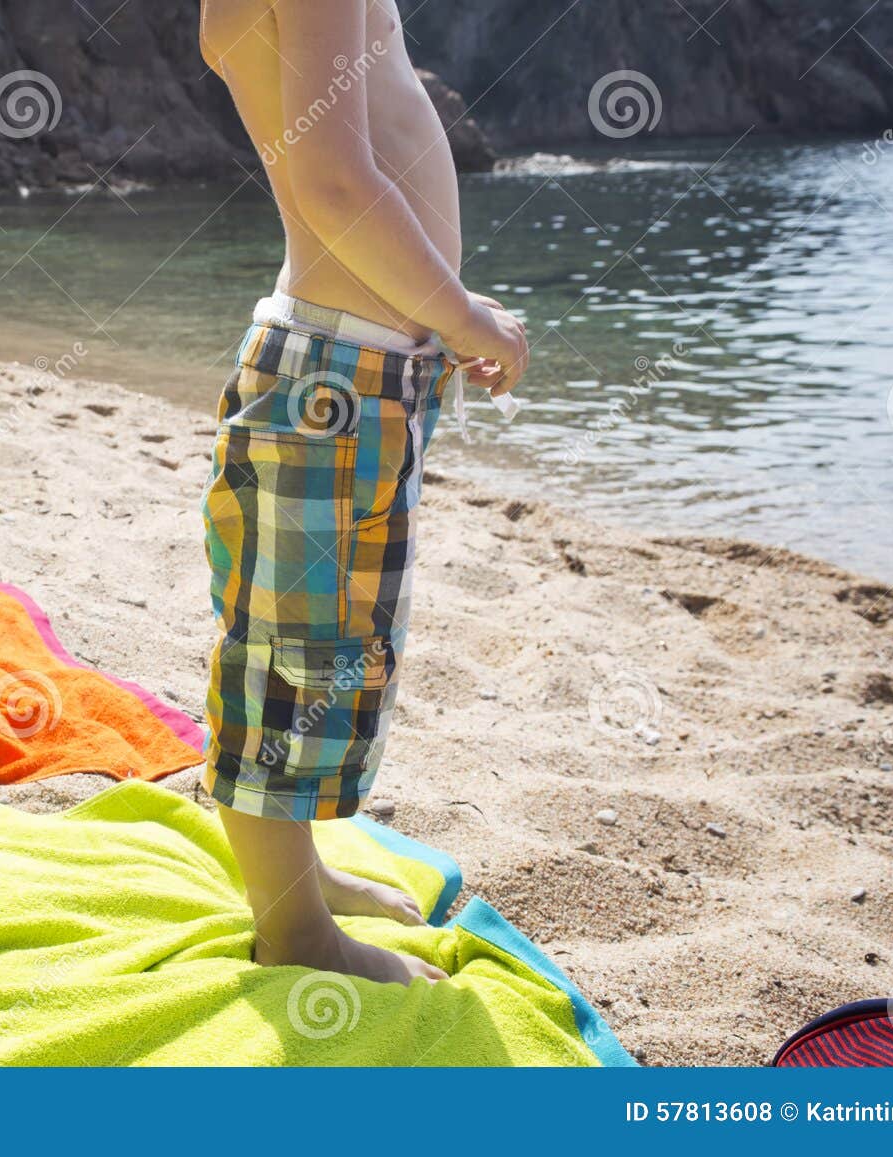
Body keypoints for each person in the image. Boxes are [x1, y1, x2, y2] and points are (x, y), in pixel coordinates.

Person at [197, 0, 529, 986]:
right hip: (336, 383)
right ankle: (294, 935)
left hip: (348, 369)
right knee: (293, 661)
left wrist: (439, 317)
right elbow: (334, 182)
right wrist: (463, 315)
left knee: (313, 640)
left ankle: (299, 883)